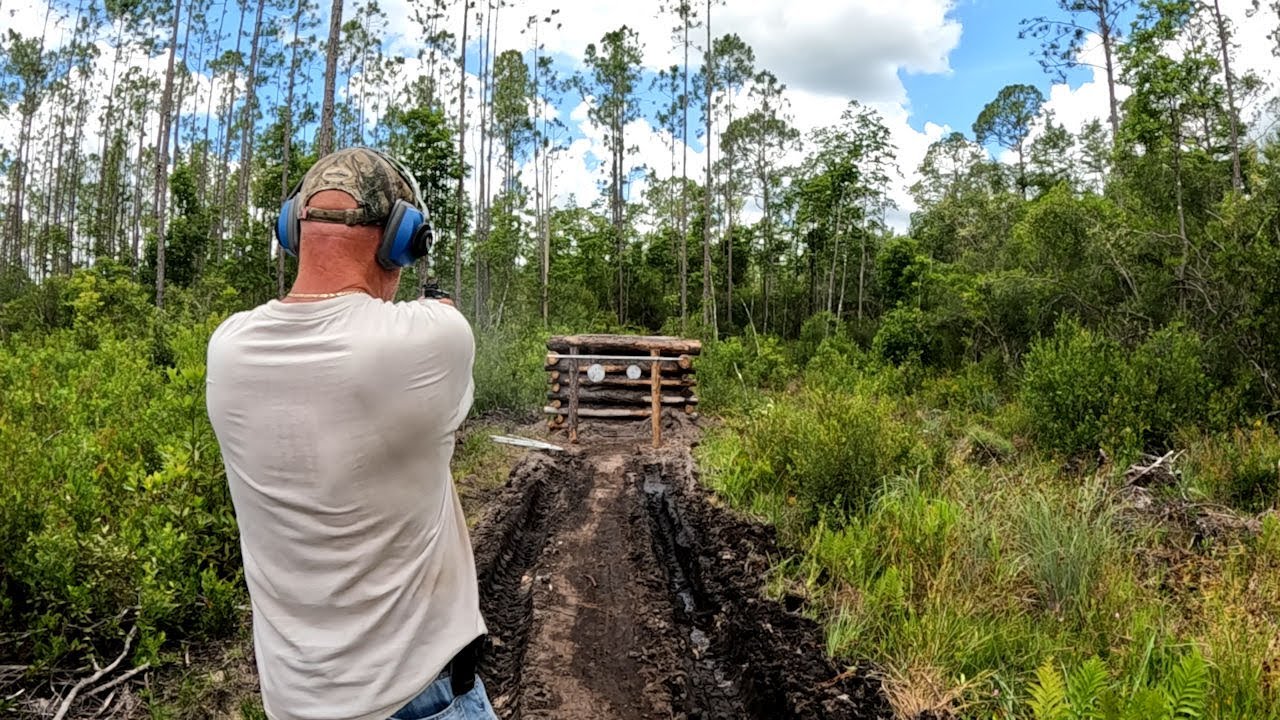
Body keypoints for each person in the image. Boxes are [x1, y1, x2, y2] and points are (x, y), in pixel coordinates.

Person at [205, 147, 497, 720]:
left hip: (292, 704)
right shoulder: (434, 337)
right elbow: (426, 335)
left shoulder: (230, 346)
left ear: (292, 227)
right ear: (403, 239)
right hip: (419, 700)